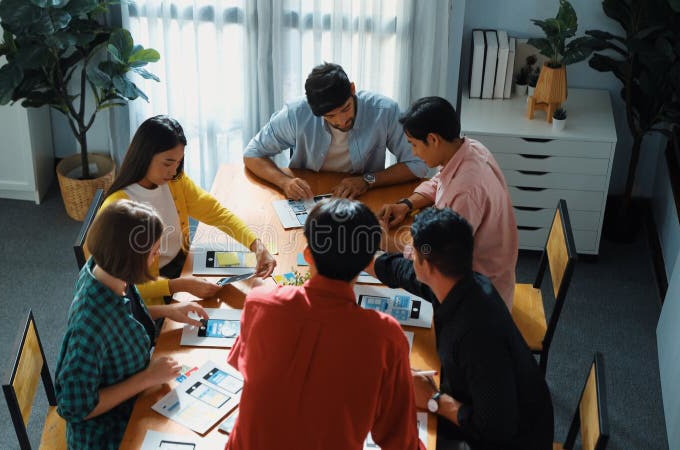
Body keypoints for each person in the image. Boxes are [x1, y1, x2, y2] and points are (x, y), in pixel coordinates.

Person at [226, 198, 424, 450]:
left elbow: (243, 365)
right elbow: (400, 441)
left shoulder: (260, 302)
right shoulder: (385, 336)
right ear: (367, 263)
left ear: (308, 254)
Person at [370, 207, 553, 450]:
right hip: (483, 406)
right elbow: (405, 274)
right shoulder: (461, 281)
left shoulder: (476, 335)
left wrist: (434, 400)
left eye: (413, 253)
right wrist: (363, 259)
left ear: (429, 266)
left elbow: (495, 429)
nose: (410, 257)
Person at [55, 199, 210, 449]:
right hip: (109, 433)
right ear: (130, 259)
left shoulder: (104, 271)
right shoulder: (89, 325)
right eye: (154, 251)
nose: (158, 255)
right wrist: (147, 378)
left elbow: (124, 318)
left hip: (136, 394)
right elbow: (74, 407)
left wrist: (168, 310)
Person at [102, 115, 276, 306]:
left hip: (183, 262)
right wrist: (178, 285)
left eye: (178, 163)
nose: (174, 171)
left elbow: (216, 212)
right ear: (144, 156)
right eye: (168, 163)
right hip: (151, 292)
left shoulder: (175, 182)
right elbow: (121, 286)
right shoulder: (118, 207)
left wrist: (256, 246)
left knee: (242, 297)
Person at [378, 96, 517, 308]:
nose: (413, 152)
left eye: (414, 145)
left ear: (433, 139)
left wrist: (391, 245)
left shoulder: (466, 192)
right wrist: (406, 204)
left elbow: (433, 258)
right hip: (484, 273)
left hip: (479, 298)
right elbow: (438, 181)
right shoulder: (469, 149)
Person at [243, 62, 427, 200]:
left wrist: (368, 180)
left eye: (346, 108)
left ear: (353, 89)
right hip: (309, 196)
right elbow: (252, 154)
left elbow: (418, 164)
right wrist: (284, 182)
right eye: (330, 116)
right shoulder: (297, 113)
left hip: (362, 197)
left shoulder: (385, 111)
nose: (341, 121)